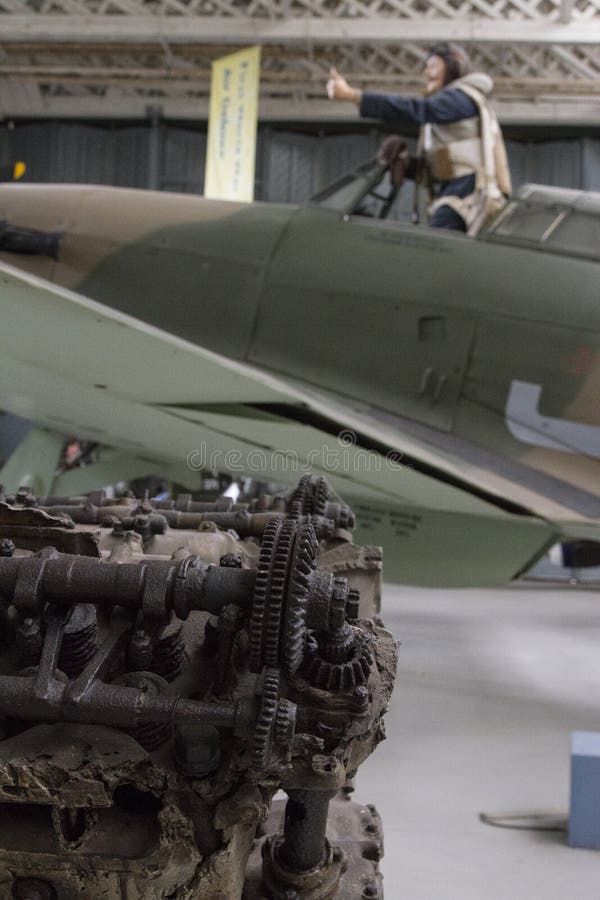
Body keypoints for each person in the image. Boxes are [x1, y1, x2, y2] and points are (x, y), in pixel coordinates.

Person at [327, 43, 511, 234]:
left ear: (454, 65)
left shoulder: (461, 98)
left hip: (468, 194)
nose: (426, 72)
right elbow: (435, 168)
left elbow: (418, 109)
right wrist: (406, 163)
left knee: (438, 242)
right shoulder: (446, 111)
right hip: (453, 191)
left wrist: (354, 96)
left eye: (433, 66)